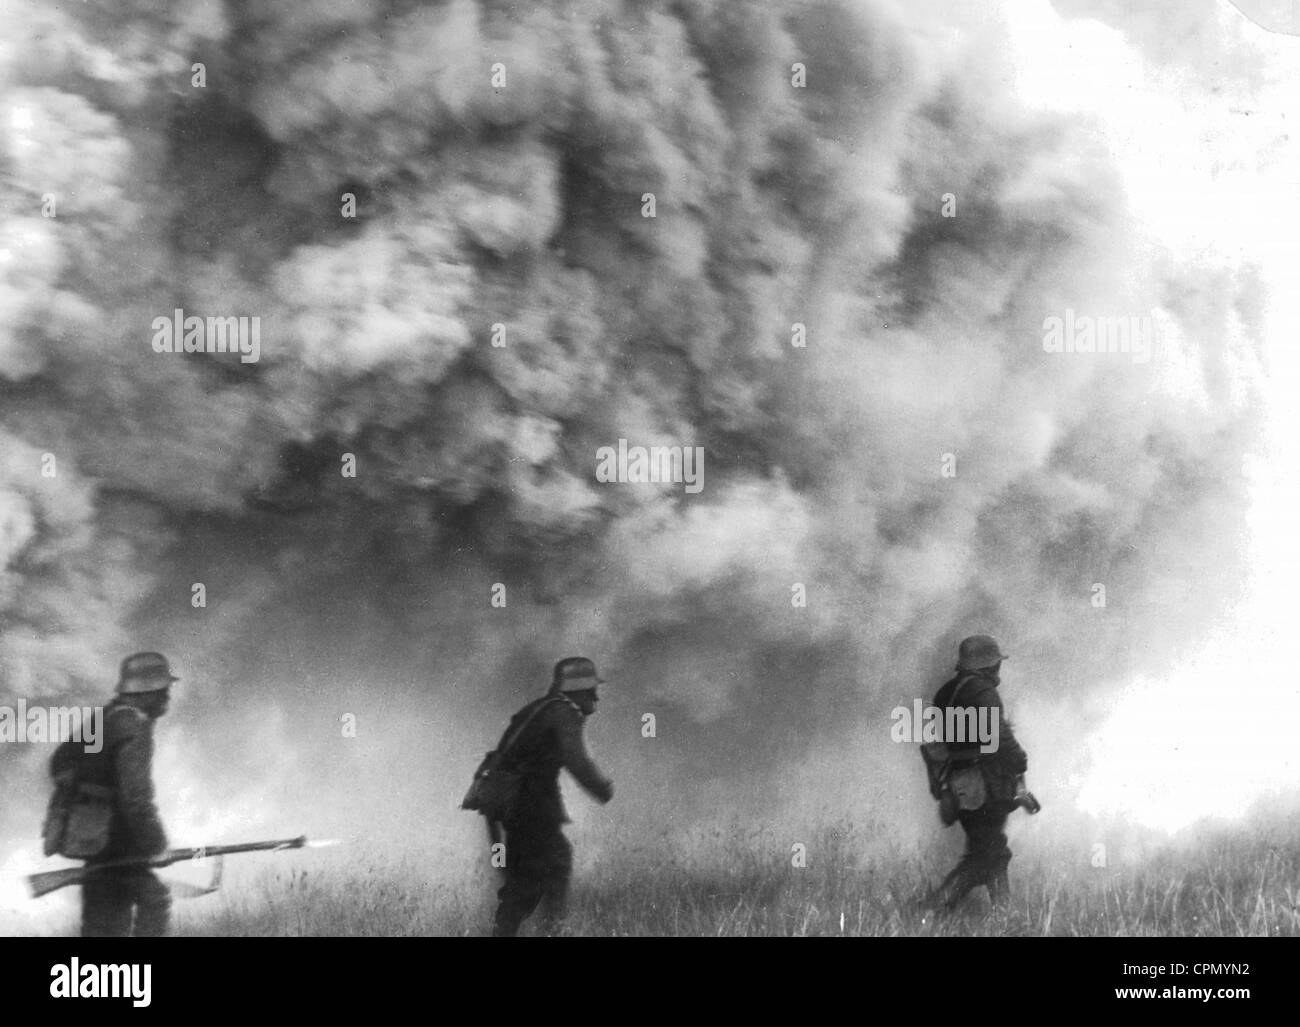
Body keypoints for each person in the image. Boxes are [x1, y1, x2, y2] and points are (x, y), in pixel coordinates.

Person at [490, 657, 613, 937]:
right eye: (590, 690)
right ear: (576, 691)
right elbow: (577, 761)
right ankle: (550, 930)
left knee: (535, 872)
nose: (595, 697)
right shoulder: (562, 712)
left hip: (520, 803)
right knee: (549, 866)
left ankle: (531, 930)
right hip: (529, 804)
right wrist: (602, 788)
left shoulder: (545, 708)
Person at [57, 652, 177, 936]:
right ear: (149, 691)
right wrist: (157, 846)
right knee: (155, 899)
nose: (167, 698)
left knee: (104, 923)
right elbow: (136, 800)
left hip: (92, 842)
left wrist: (88, 797)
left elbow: (59, 764)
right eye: (163, 691)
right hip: (122, 844)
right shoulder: (134, 725)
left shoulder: (105, 718)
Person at [926, 635, 1028, 910]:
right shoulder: (982, 692)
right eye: (996, 664)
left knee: (992, 852)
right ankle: (931, 909)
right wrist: (1020, 760)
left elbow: (939, 742)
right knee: (985, 857)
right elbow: (999, 735)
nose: (998, 670)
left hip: (959, 784)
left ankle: (1006, 918)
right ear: (989, 665)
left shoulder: (945, 693)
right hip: (984, 786)